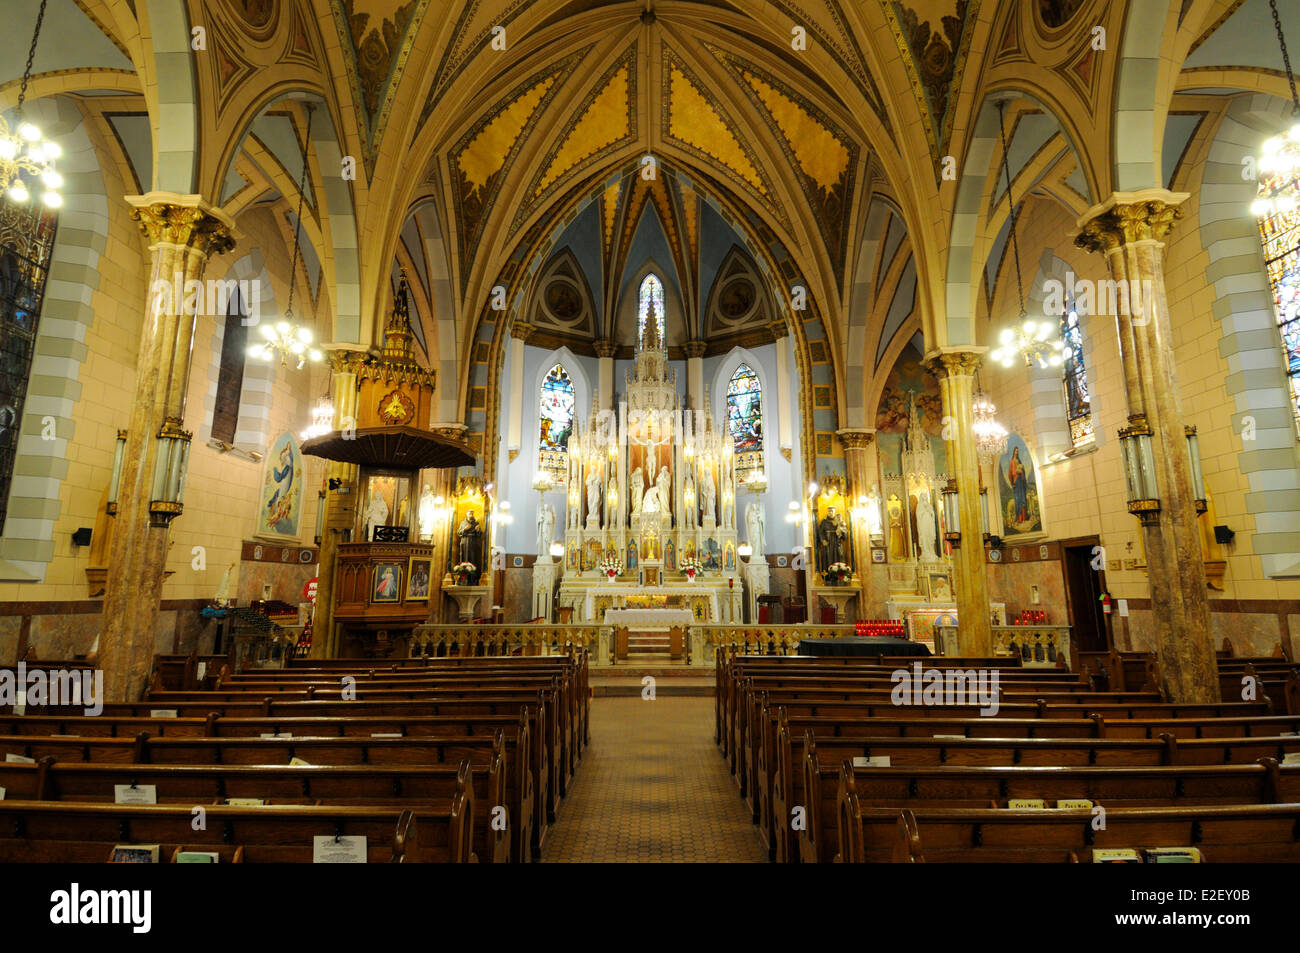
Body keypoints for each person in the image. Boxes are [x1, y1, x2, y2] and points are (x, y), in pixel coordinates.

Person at [1008, 447, 1030, 524]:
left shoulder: (1019, 460)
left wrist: (1022, 471)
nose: (1017, 452)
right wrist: (1012, 482)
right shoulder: (1012, 462)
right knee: (1018, 500)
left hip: (1021, 481)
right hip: (1016, 482)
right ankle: (1019, 518)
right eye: (1016, 451)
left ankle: (1024, 517)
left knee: (1023, 498)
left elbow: (1022, 470)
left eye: (1018, 451)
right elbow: (1011, 473)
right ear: (1013, 452)